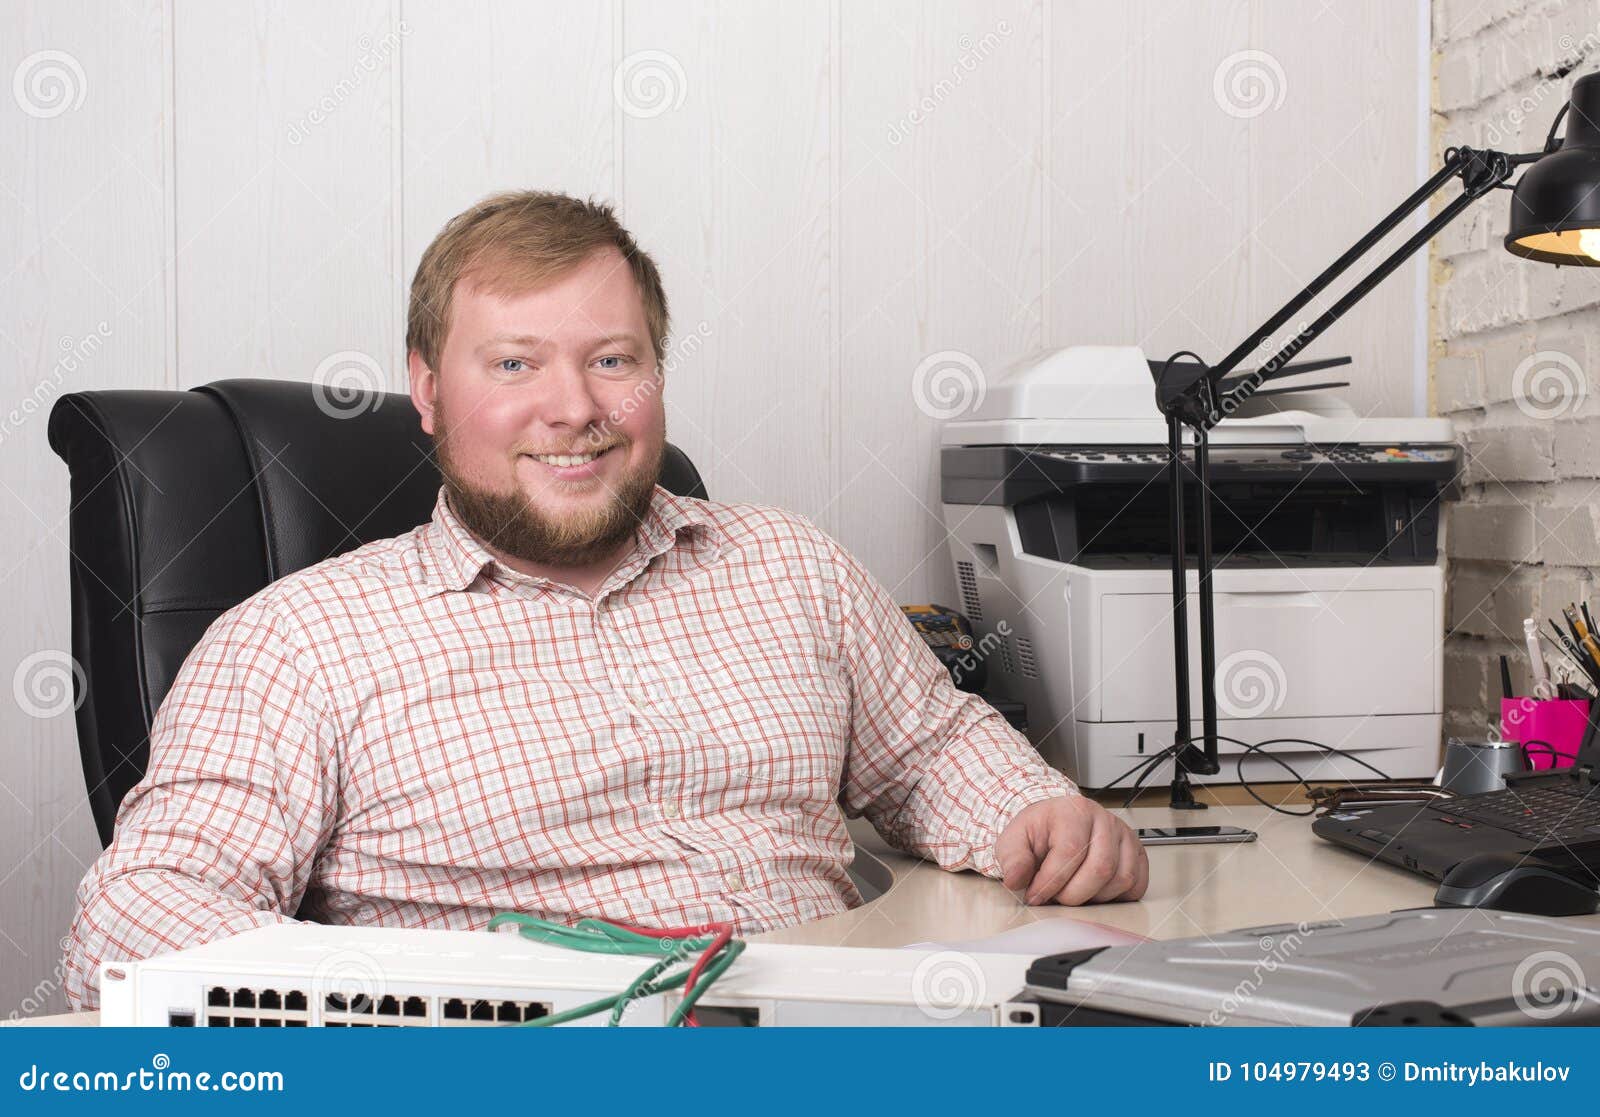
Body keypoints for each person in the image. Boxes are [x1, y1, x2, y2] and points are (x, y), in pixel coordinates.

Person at [62, 190, 1146, 1010]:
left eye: (613, 360)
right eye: (514, 365)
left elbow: (931, 751)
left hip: (829, 1035)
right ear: (429, 391)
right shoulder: (296, 641)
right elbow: (135, 918)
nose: (573, 408)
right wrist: (434, 1005)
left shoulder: (792, 565)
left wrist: (1039, 817)